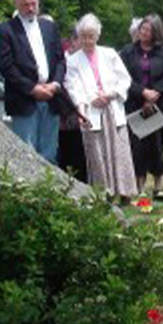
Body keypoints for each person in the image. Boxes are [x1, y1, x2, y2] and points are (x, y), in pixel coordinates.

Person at [65, 13, 137, 202]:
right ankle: (103, 193)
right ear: (78, 37)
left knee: (119, 151)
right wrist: (84, 106)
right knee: (96, 153)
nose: (87, 41)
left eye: (91, 36)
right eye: (83, 36)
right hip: (92, 112)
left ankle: (124, 191)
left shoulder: (110, 53)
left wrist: (111, 94)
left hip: (113, 108)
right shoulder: (72, 60)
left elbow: (124, 79)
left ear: (97, 35)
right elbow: (73, 87)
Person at [0, 0, 66, 164]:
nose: (31, 8)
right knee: (27, 155)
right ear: (16, 3)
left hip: (51, 98)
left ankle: (50, 192)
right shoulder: (5, 30)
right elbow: (6, 67)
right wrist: (33, 89)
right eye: (26, 4)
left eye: (34, 3)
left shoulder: (49, 27)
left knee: (50, 154)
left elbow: (60, 60)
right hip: (24, 100)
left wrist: (55, 84)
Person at [120, 13, 163, 196]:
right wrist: (143, 93)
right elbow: (123, 77)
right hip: (135, 103)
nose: (143, 32)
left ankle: (159, 182)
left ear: (156, 32)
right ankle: (139, 183)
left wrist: (153, 94)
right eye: (142, 28)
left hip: (158, 105)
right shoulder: (128, 51)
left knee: (156, 144)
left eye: (148, 29)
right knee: (137, 146)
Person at [58, 27, 89, 182]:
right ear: (73, 41)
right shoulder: (63, 60)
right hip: (65, 115)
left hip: (84, 114)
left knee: (83, 155)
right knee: (67, 154)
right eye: (80, 39)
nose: (84, 43)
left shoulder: (87, 60)